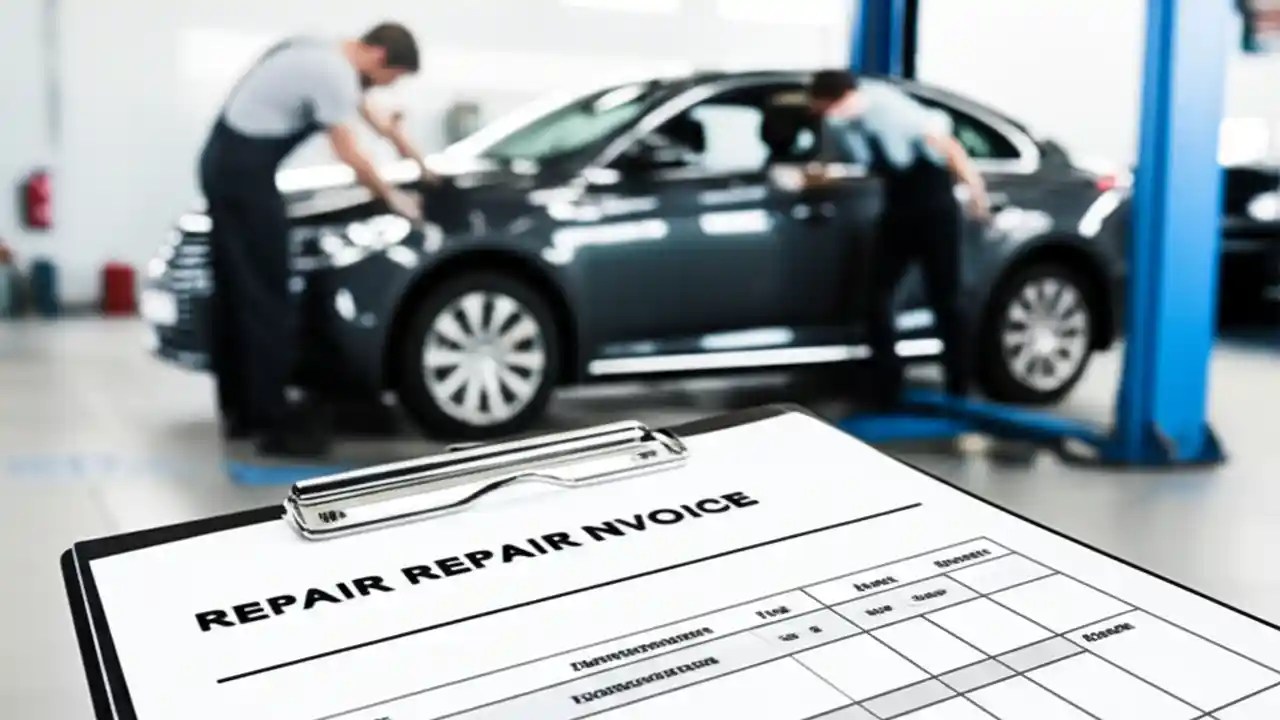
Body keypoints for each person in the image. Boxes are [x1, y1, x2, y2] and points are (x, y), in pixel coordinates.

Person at [199, 22, 429, 457]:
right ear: (379, 56)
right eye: (392, 78)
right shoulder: (334, 75)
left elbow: (375, 121)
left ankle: (241, 412)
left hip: (225, 166)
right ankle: (269, 418)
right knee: (266, 293)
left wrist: (419, 162)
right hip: (242, 176)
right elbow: (349, 153)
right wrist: (395, 199)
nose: (386, 86)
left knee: (236, 292)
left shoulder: (325, 54)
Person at [807, 69, 991, 408]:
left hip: (934, 208)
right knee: (876, 295)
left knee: (946, 298)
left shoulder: (889, 109)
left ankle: (960, 387)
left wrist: (976, 192)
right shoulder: (845, 124)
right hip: (898, 209)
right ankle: (886, 383)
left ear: (842, 98)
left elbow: (948, 147)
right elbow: (855, 165)